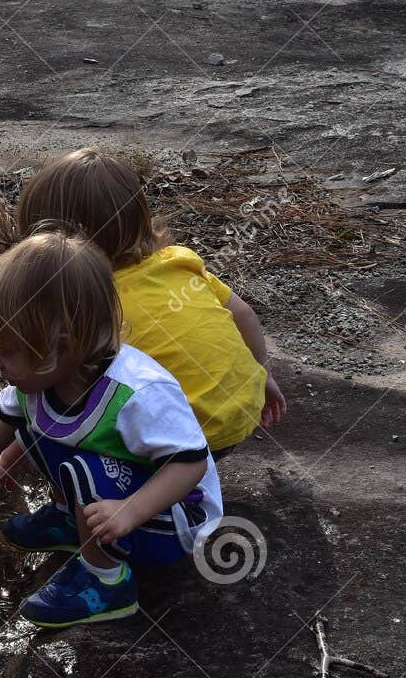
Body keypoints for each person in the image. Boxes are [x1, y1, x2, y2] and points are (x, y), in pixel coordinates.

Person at [0, 230, 222, 628]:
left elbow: (189, 465)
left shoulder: (137, 393)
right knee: (30, 434)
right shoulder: (41, 381)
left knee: (81, 467)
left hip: (173, 517)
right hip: (117, 491)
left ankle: (107, 580)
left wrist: (130, 510)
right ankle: (69, 518)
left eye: (4, 351)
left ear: (59, 346)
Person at [15, 147, 285, 458]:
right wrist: (264, 376)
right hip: (240, 412)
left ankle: (138, 495)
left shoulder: (86, 302)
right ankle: (188, 486)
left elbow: (70, 379)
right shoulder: (179, 262)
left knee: (66, 423)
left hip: (178, 439)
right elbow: (244, 313)